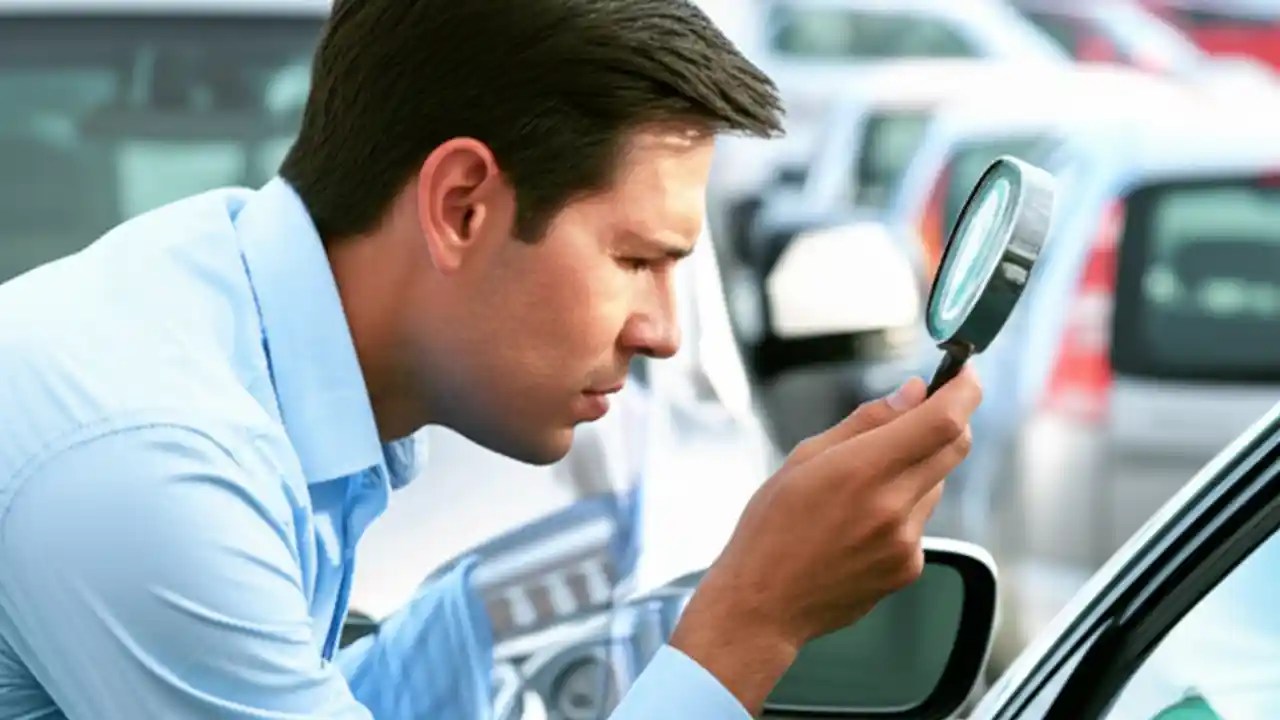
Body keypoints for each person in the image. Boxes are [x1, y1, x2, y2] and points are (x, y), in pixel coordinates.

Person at [0, 1, 981, 718]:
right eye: (635, 260)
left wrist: (494, 621)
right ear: (462, 205)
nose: (661, 331)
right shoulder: (153, 460)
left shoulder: (223, 324)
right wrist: (750, 623)